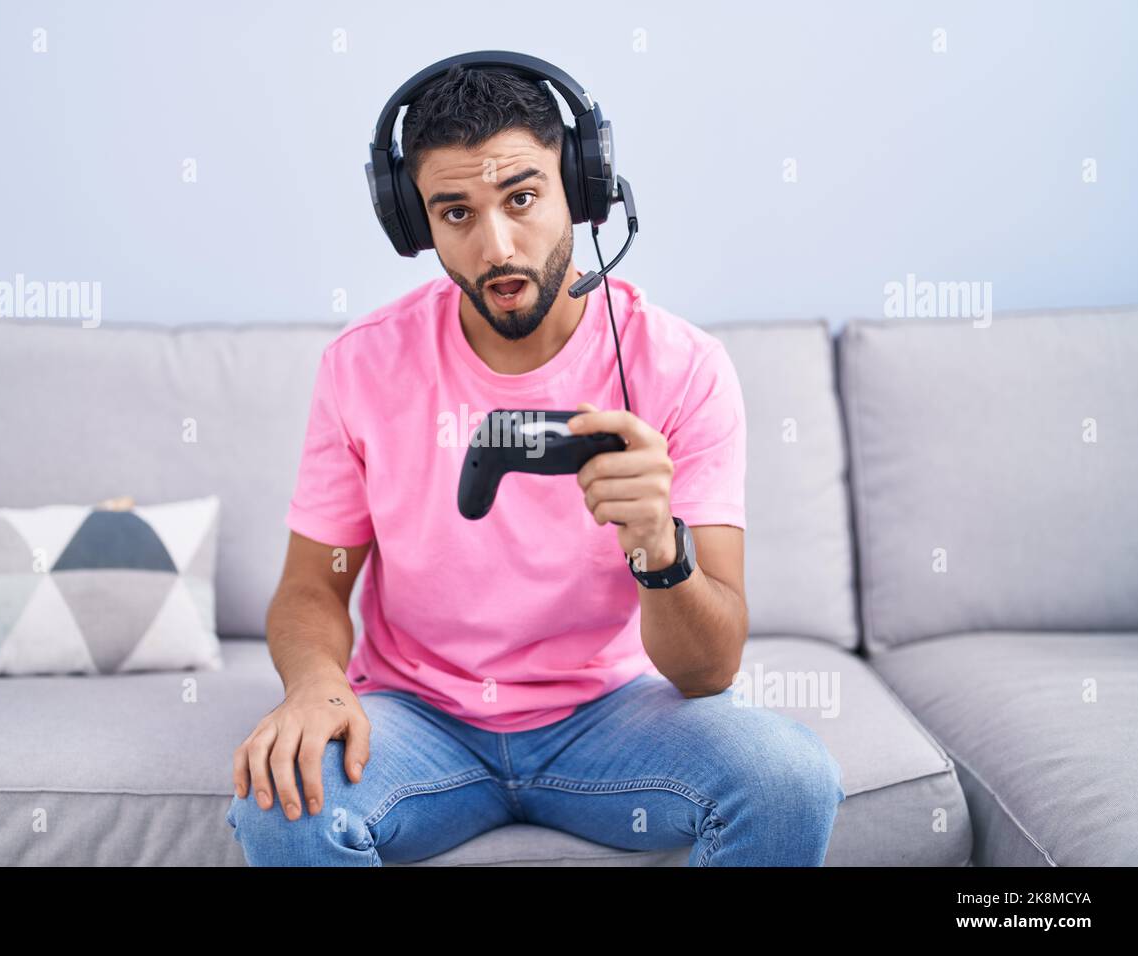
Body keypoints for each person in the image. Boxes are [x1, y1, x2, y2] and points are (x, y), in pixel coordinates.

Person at [227, 61, 844, 866]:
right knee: (280, 811)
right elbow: (313, 584)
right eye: (457, 213)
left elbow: (709, 669)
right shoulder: (362, 365)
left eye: (522, 198)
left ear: (581, 192)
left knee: (788, 780)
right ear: (418, 224)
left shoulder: (683, 368)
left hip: (609, 716)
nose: (497, 248)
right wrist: (317, 685)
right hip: (417, 718)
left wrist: (660, 547)